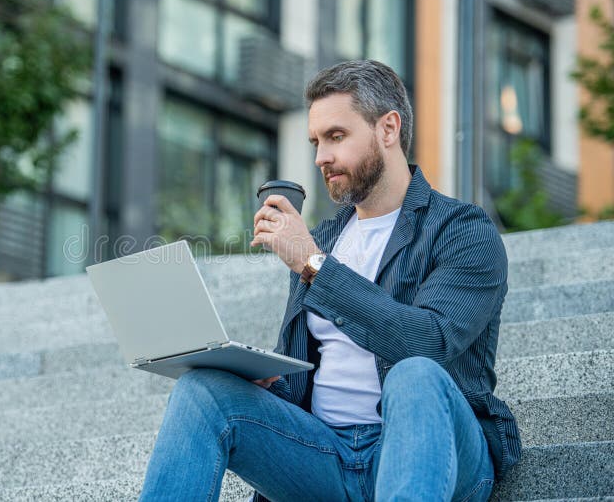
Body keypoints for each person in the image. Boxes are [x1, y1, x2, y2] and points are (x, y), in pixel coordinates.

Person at [138, 60, 520, 502]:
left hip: (435, 451)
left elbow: (429, 343)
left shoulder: (462, 230)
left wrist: (314, 264)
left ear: (388, 129)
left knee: (414, 375)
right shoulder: (323, 241)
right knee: (201, 392)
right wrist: (263, 378)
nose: (321, 157)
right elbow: (307, 376)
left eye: (336, 136)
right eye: (316, 141)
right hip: (325, 455)